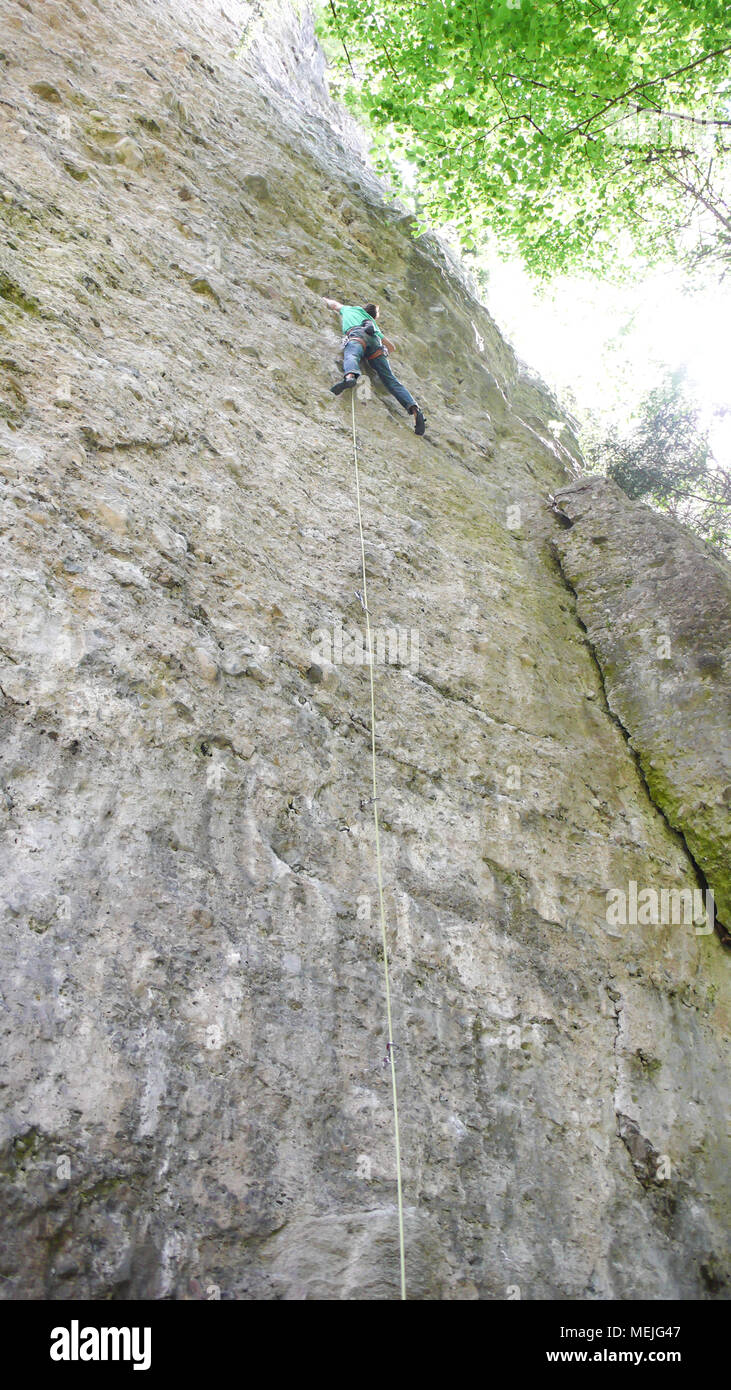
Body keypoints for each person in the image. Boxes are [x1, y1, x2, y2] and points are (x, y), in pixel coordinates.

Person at [324, 297, 426, 435]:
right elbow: (391, 347)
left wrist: (323, 299)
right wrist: (382, 355)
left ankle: (350, 377)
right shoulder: (372, 324)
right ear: (374, 316)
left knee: (352, 356)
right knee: (391, 380)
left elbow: (334, 305)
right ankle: (415, 410)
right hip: (376, 343)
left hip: (357, 336)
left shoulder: (350, 309)